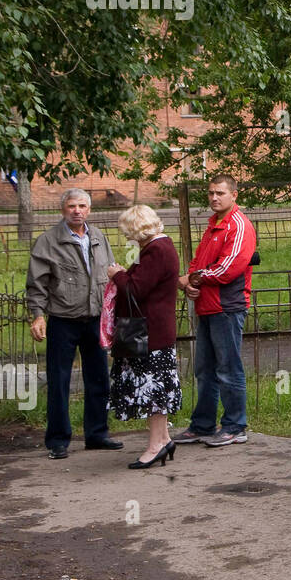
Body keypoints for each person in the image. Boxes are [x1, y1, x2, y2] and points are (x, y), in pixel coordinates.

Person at [25, 189, 122, 459]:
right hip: (63, 320)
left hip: (95, 319)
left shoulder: (99, 237)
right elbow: (37, 284)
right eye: (71, 206)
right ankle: (58, 440)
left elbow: (111, 275)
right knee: (59, 381)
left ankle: (97, 434)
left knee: (99, 378)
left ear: (89, 210)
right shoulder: (48, 241)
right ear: (62, 209)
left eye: (82, 206)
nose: (77, 210)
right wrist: (38, 315)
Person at [173, 175, 256, 448]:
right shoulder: (213, 225)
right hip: (207, 305)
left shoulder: (238, 225)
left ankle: (235, 425)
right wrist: (190, 284)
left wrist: (192, 279)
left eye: (220, 193)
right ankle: (203, 425)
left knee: (228, 369)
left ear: (234, 195)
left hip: (227, 307)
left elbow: (227, 268)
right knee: (205, 369)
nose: (214, 198)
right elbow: (199, 262)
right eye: (210, 193)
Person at [106, 205, 182, 469]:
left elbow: (136, 289)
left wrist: (118, 275)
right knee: (156, 388)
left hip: (151, 332)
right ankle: (164, 439)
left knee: (154, 391)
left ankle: (156, 445)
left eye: (128, 231)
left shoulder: (156, 250)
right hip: (151, 330)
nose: (128, 237)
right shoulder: (157, 247)